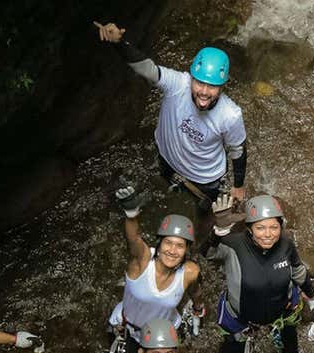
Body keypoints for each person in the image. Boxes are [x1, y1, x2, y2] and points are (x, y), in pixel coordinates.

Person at [95, 21, 248, 247]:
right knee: (163, 188)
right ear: (191, 79)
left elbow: (238, 149)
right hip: (167, 158)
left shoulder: (230, 115)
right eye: (200, 83)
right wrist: (120, 44)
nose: (204, 92)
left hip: (204, 178)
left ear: (222, 87)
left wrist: (238, 186)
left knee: (204, 212)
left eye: (212, 86)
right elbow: (147, 68)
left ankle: (203, 240)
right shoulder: (177, 84)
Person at [207, 194, 314, 353]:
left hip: (282, 309)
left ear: (281, 226)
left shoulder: (286, 244)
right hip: (241, 315)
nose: (268, 234)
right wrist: (218, 232)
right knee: (232, 351)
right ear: (249, 228)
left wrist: (312, 294)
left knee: (290, 338)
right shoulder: (233, 245)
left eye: (274, 227)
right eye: (261, 228)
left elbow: (298, 270)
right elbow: (208, 254)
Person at [106, 184, 203, 353]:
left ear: (186, 250)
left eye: (180, 246)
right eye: (168, 243)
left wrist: (198, 309)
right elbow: (133, 238)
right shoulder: (142, 261)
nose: (172, 250)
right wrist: (132, 214)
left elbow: (196, 291)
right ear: (158, 245)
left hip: (164, 332)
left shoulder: (189, 271)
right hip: (129, 328)